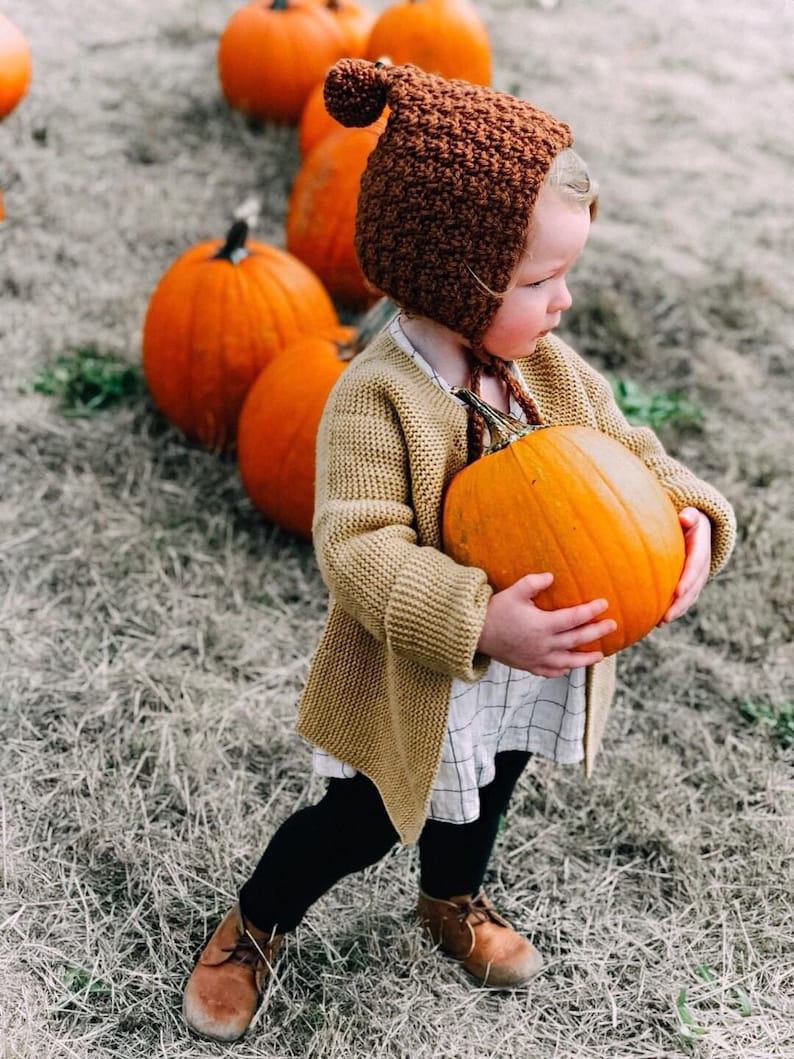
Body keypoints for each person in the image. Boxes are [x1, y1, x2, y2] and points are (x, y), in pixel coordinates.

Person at [182, 58, 736, 1042]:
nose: (563, 302)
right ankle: (257, 920)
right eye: (540, 281)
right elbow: (358, 547)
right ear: (455, 280)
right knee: (358, 821)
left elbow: (631, 452)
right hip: (417, 670)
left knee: (488, 788)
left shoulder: (547, 370)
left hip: (527, 662)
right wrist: (477, 618)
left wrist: (688, 511)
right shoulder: (378, 398)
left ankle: (450, 899)